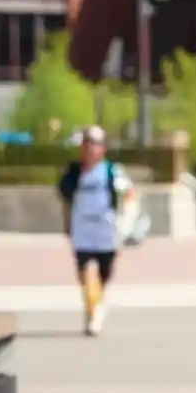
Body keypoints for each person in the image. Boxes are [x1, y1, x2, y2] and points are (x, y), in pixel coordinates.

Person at [56, 126, 135, 336]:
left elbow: (128, 193)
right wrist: (67, 224)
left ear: (103, 148)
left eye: (96, 143)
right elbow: (65, 200)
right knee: (85, 271)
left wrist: (125, 221)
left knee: (103, 274)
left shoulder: (112, 171)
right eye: (87, 143)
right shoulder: (73, 173)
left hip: (105, 230)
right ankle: (94, 311)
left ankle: (96, 304)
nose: (91, 148)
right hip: (83, 230)